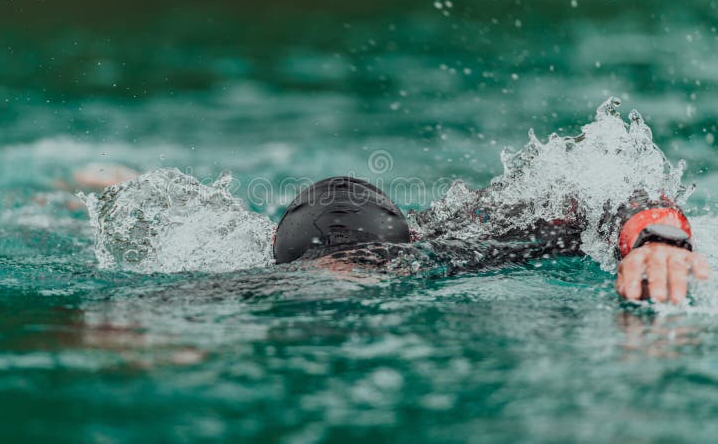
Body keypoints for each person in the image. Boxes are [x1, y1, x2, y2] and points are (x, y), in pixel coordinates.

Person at [273, 176, 710, 304]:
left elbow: (611, 189)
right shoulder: (258, 282)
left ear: (405, 249)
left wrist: (655, 238)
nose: (348, 287)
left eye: (369, 267)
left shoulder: (485, 239)